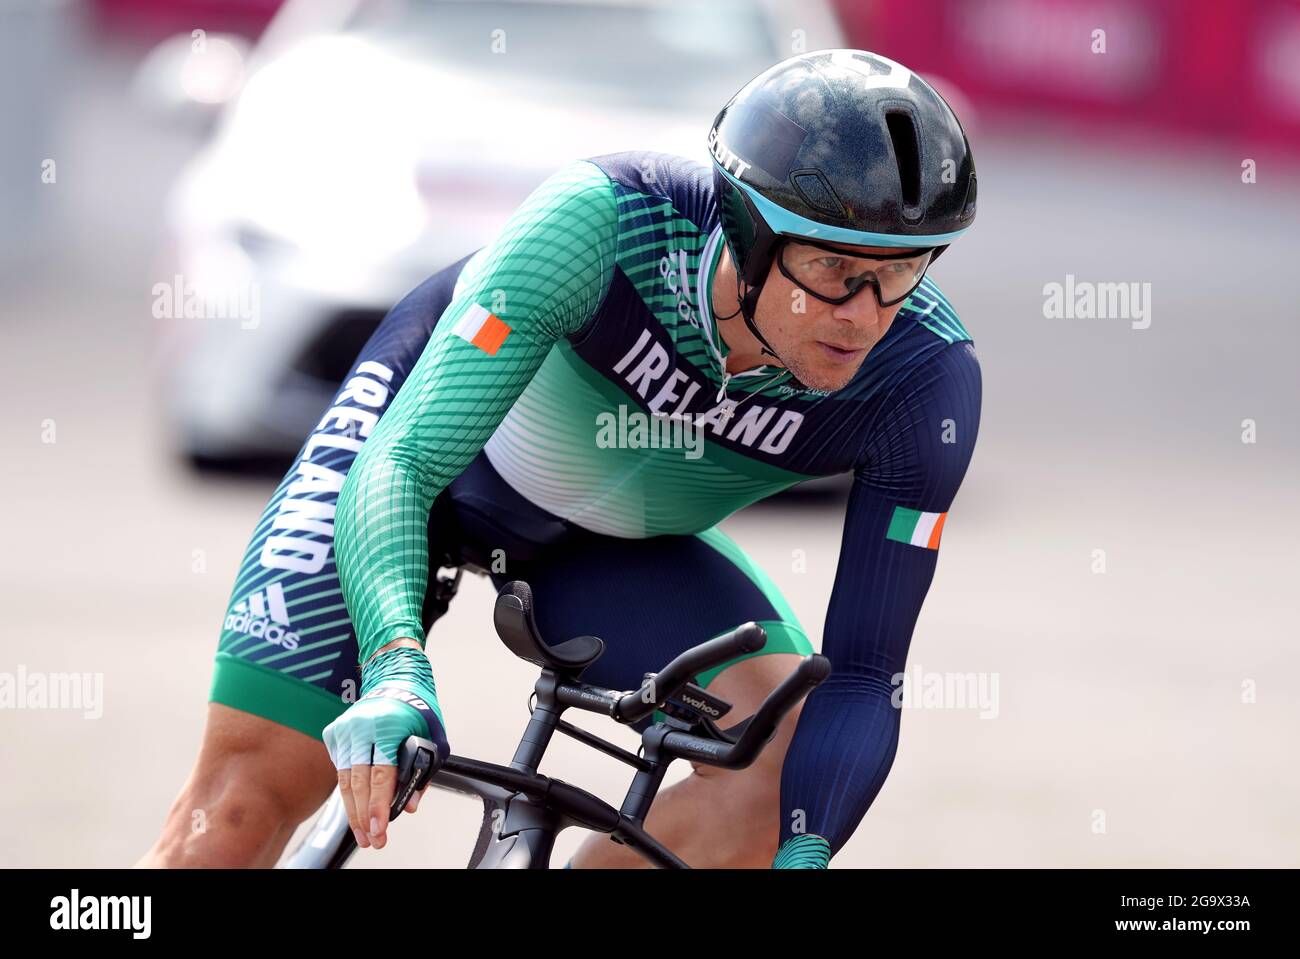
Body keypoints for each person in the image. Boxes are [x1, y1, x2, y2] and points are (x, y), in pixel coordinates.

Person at [140, 49, 980, 869]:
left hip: (614, 542)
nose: (865, 317)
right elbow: (403, 463)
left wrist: (806, 849)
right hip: (421, 463)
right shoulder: (606, 221)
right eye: (833, 270)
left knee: (775, 769)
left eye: (899, 273)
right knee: (235, 815)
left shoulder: (925, 381)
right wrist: (395, 666)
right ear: (750, 234)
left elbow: (868, 674)